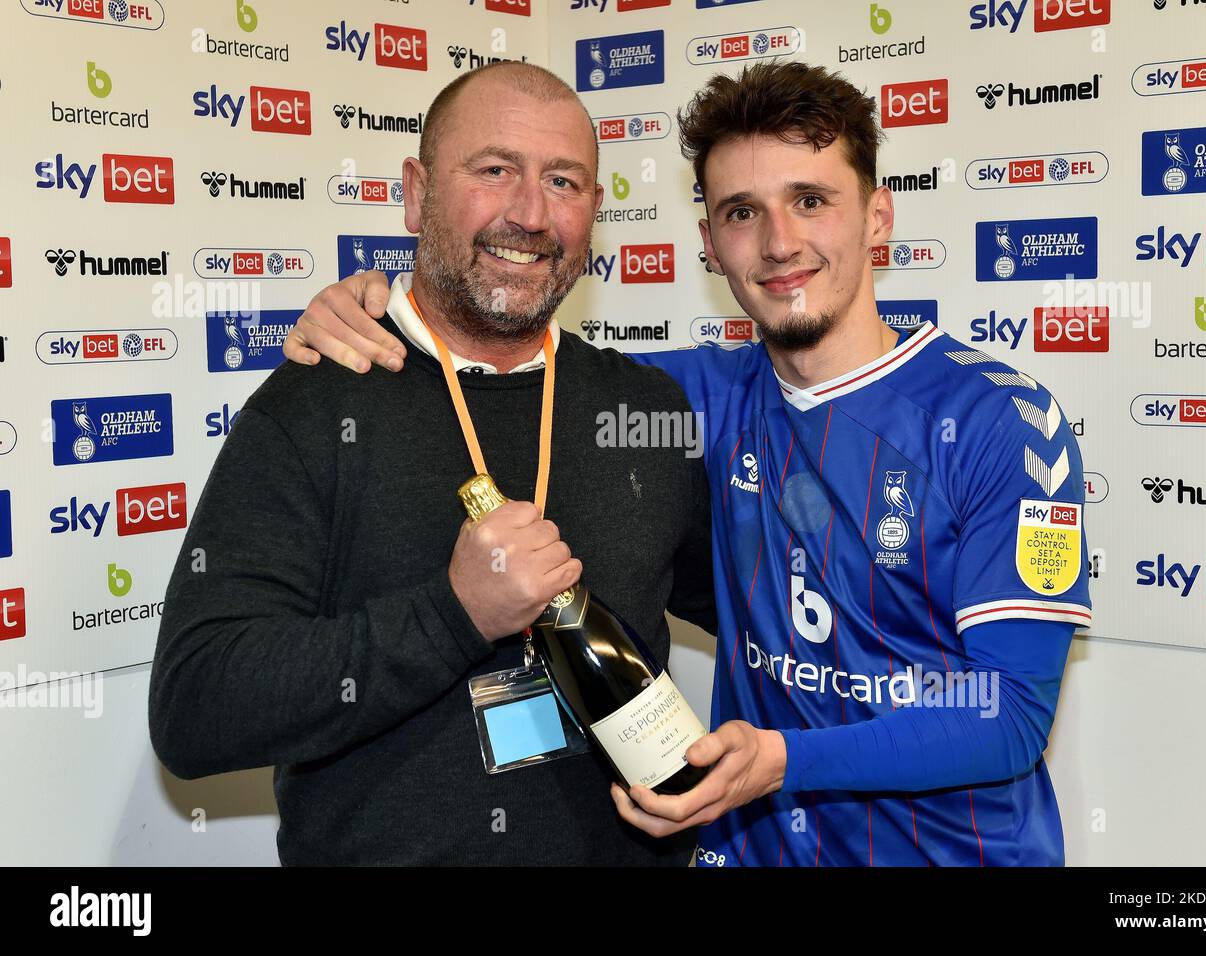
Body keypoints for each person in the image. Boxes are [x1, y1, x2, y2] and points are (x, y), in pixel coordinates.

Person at [284, 61, 1093, 866]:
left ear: (877, 217)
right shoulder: (681, 403)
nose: (779, 243)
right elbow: (503, 368)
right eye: (742, 212)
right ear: (709, 243)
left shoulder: (1003, 423)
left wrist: (783, 761)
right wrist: (380, 311)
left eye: (811, 201)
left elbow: (1011, 715)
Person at [150, 62, 715, 866]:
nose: (530, 214)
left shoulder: (643, 407)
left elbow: (752, 603)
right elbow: (195, 708)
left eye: (562, 181)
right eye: (494, 171)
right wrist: (453, 615)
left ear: (594, 208)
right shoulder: (316, 404)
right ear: (416, 194)